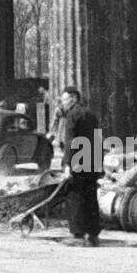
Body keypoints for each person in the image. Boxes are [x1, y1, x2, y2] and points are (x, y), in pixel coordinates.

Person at [56, 86, 102, 246]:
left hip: (77, 162)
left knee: (74, 196)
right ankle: (93, 234)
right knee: (91, 197)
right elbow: (98, 139)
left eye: (64, 100)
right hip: (91, 162)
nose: (63, 103)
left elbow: (71, 142)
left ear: (74, 99)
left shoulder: (72, 116)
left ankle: (78, 235)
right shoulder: (91, 114)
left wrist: (68, 164)